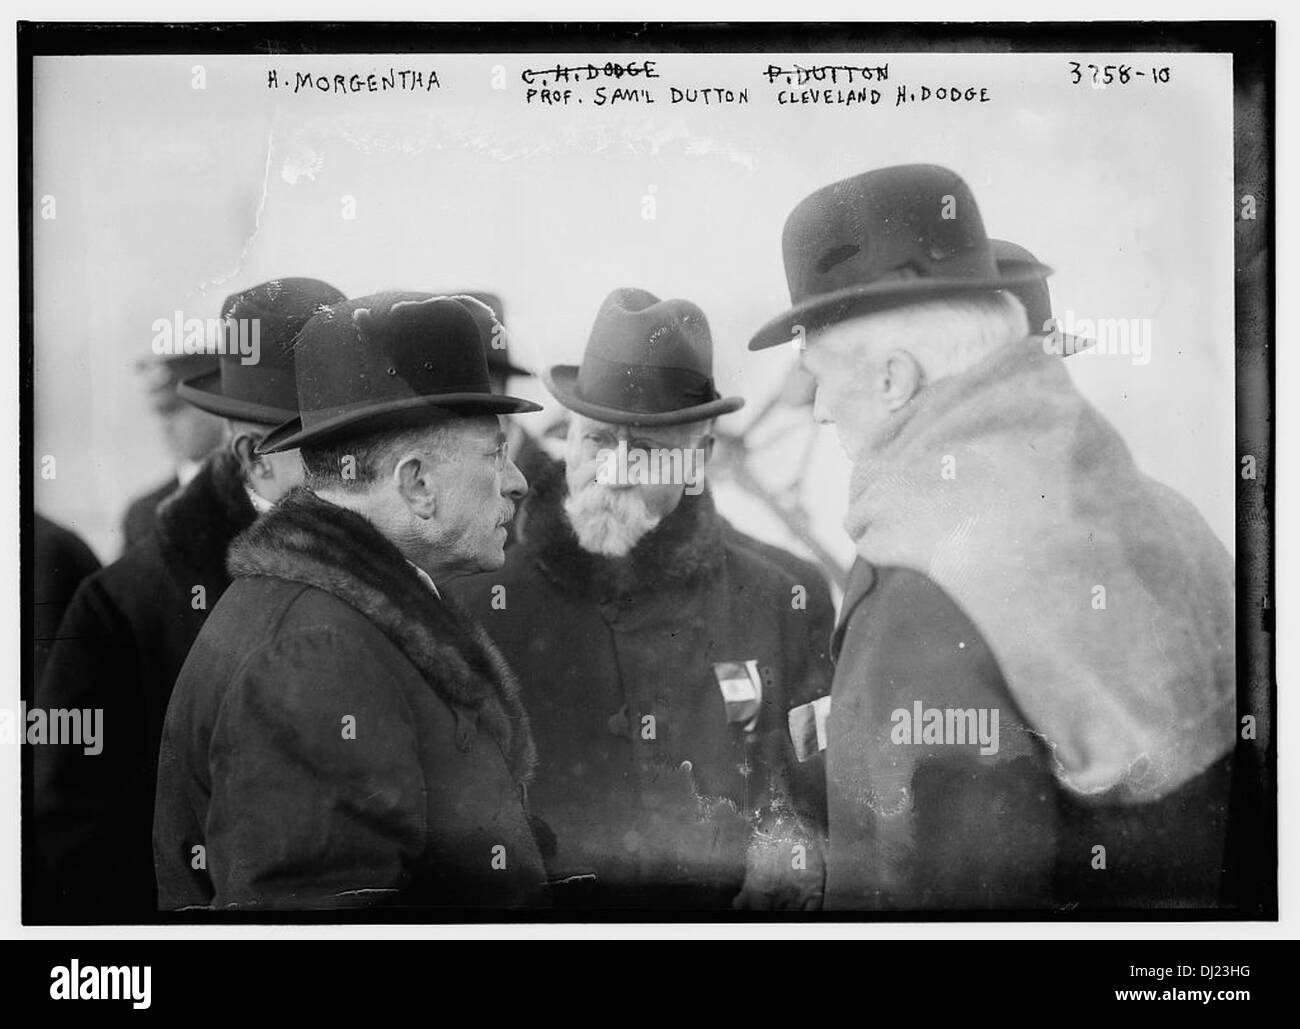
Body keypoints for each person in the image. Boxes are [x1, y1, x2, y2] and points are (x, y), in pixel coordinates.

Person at [748, 163, 1240, 911]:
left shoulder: (922, 586)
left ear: (893, 379)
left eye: (817, 375)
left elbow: (921, 890)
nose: (816, 411)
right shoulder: (1160, 512)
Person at [153, 293, 547, 911]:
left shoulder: (329, 613)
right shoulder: (318, 655)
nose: (518, 481)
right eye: (494, 454)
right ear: (416, 483)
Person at [450, 287, 833, 910]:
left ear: (699, 459)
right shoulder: (470, 607)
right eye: (599, 440)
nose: (617, 469)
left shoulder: (783, 599)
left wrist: (793, 834)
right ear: (568, 438)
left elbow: (818, 780)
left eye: (649, 450)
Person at [35, 277, 344, 921]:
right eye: (331, 444)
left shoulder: (407, 567)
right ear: (253, 457)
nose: (358, 463)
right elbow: (84, 850)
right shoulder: (127, 606)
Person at [121, 353, 226, 552]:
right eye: (160, 413)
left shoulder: (259, 494)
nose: (166, 426)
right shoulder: (144, 514)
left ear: (215, 407)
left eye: (174, 410)